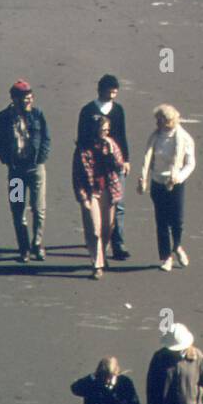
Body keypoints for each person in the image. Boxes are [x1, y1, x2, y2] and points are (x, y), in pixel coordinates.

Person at [0, 79, 51, 263]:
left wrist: (40, 159)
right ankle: (24, 248)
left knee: (38, 208)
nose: (28, 101)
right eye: (25, 98)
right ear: (14, 99)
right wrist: (8, 162)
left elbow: (46, 139)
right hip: (16, 171)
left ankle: (38, 244)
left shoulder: (37, 114)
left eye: (30, 97)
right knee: (18, 210)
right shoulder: (3, 118)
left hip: (35, 170)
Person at [77, 75, 130, 261]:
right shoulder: (88, 111)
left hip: (114, 164)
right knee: (95, 205)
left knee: (118, 204)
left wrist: (126, 159)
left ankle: (118, 244)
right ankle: (97, 248)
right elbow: (81, 138)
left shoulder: (118, 110)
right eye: (111, 90)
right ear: (101, 89)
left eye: (116, 90)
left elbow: (122, 135)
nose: (114, 93)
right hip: (94, 167)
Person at [137, 104, 195, 271]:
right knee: (161, 221)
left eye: (162, 120)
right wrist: (144, 178)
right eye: (158, 119)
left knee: (177, 221)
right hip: (157, 182)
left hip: (175, 184)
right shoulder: (155, 137)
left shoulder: (184, 138)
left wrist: (178, 177)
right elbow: (148, 159)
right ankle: (165, 257)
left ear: (171, 120)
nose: (159, 123)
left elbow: (190, 164)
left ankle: (177, 246)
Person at [72, 113, 124, 279]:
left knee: (107, 227)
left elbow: (120, 166)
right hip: (91, 191)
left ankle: (102, 253)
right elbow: (77, 175)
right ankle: (97, 264)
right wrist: (83, 198)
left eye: (107, 130)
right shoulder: (82, 149)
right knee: (94, 229)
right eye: (103, 130)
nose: (106, 133)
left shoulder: (110, 144)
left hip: (109, 189)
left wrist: (111, 150)